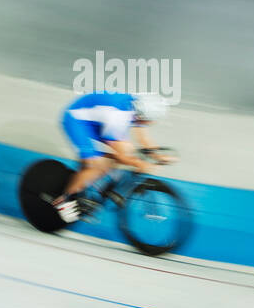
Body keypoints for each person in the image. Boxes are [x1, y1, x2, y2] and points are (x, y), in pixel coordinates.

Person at [51, 91, 173, 223]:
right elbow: (121, 156)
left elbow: (143, 138)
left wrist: (158, 155)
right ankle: (65, 201)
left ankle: (88, 185)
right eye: (149, 121)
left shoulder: (138, 107)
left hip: (97, 121)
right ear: (143, 115)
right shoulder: (119, 115)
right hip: (76, 120)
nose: (149, 123)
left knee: (123, 154)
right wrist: (141, 164)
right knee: (95, 165)